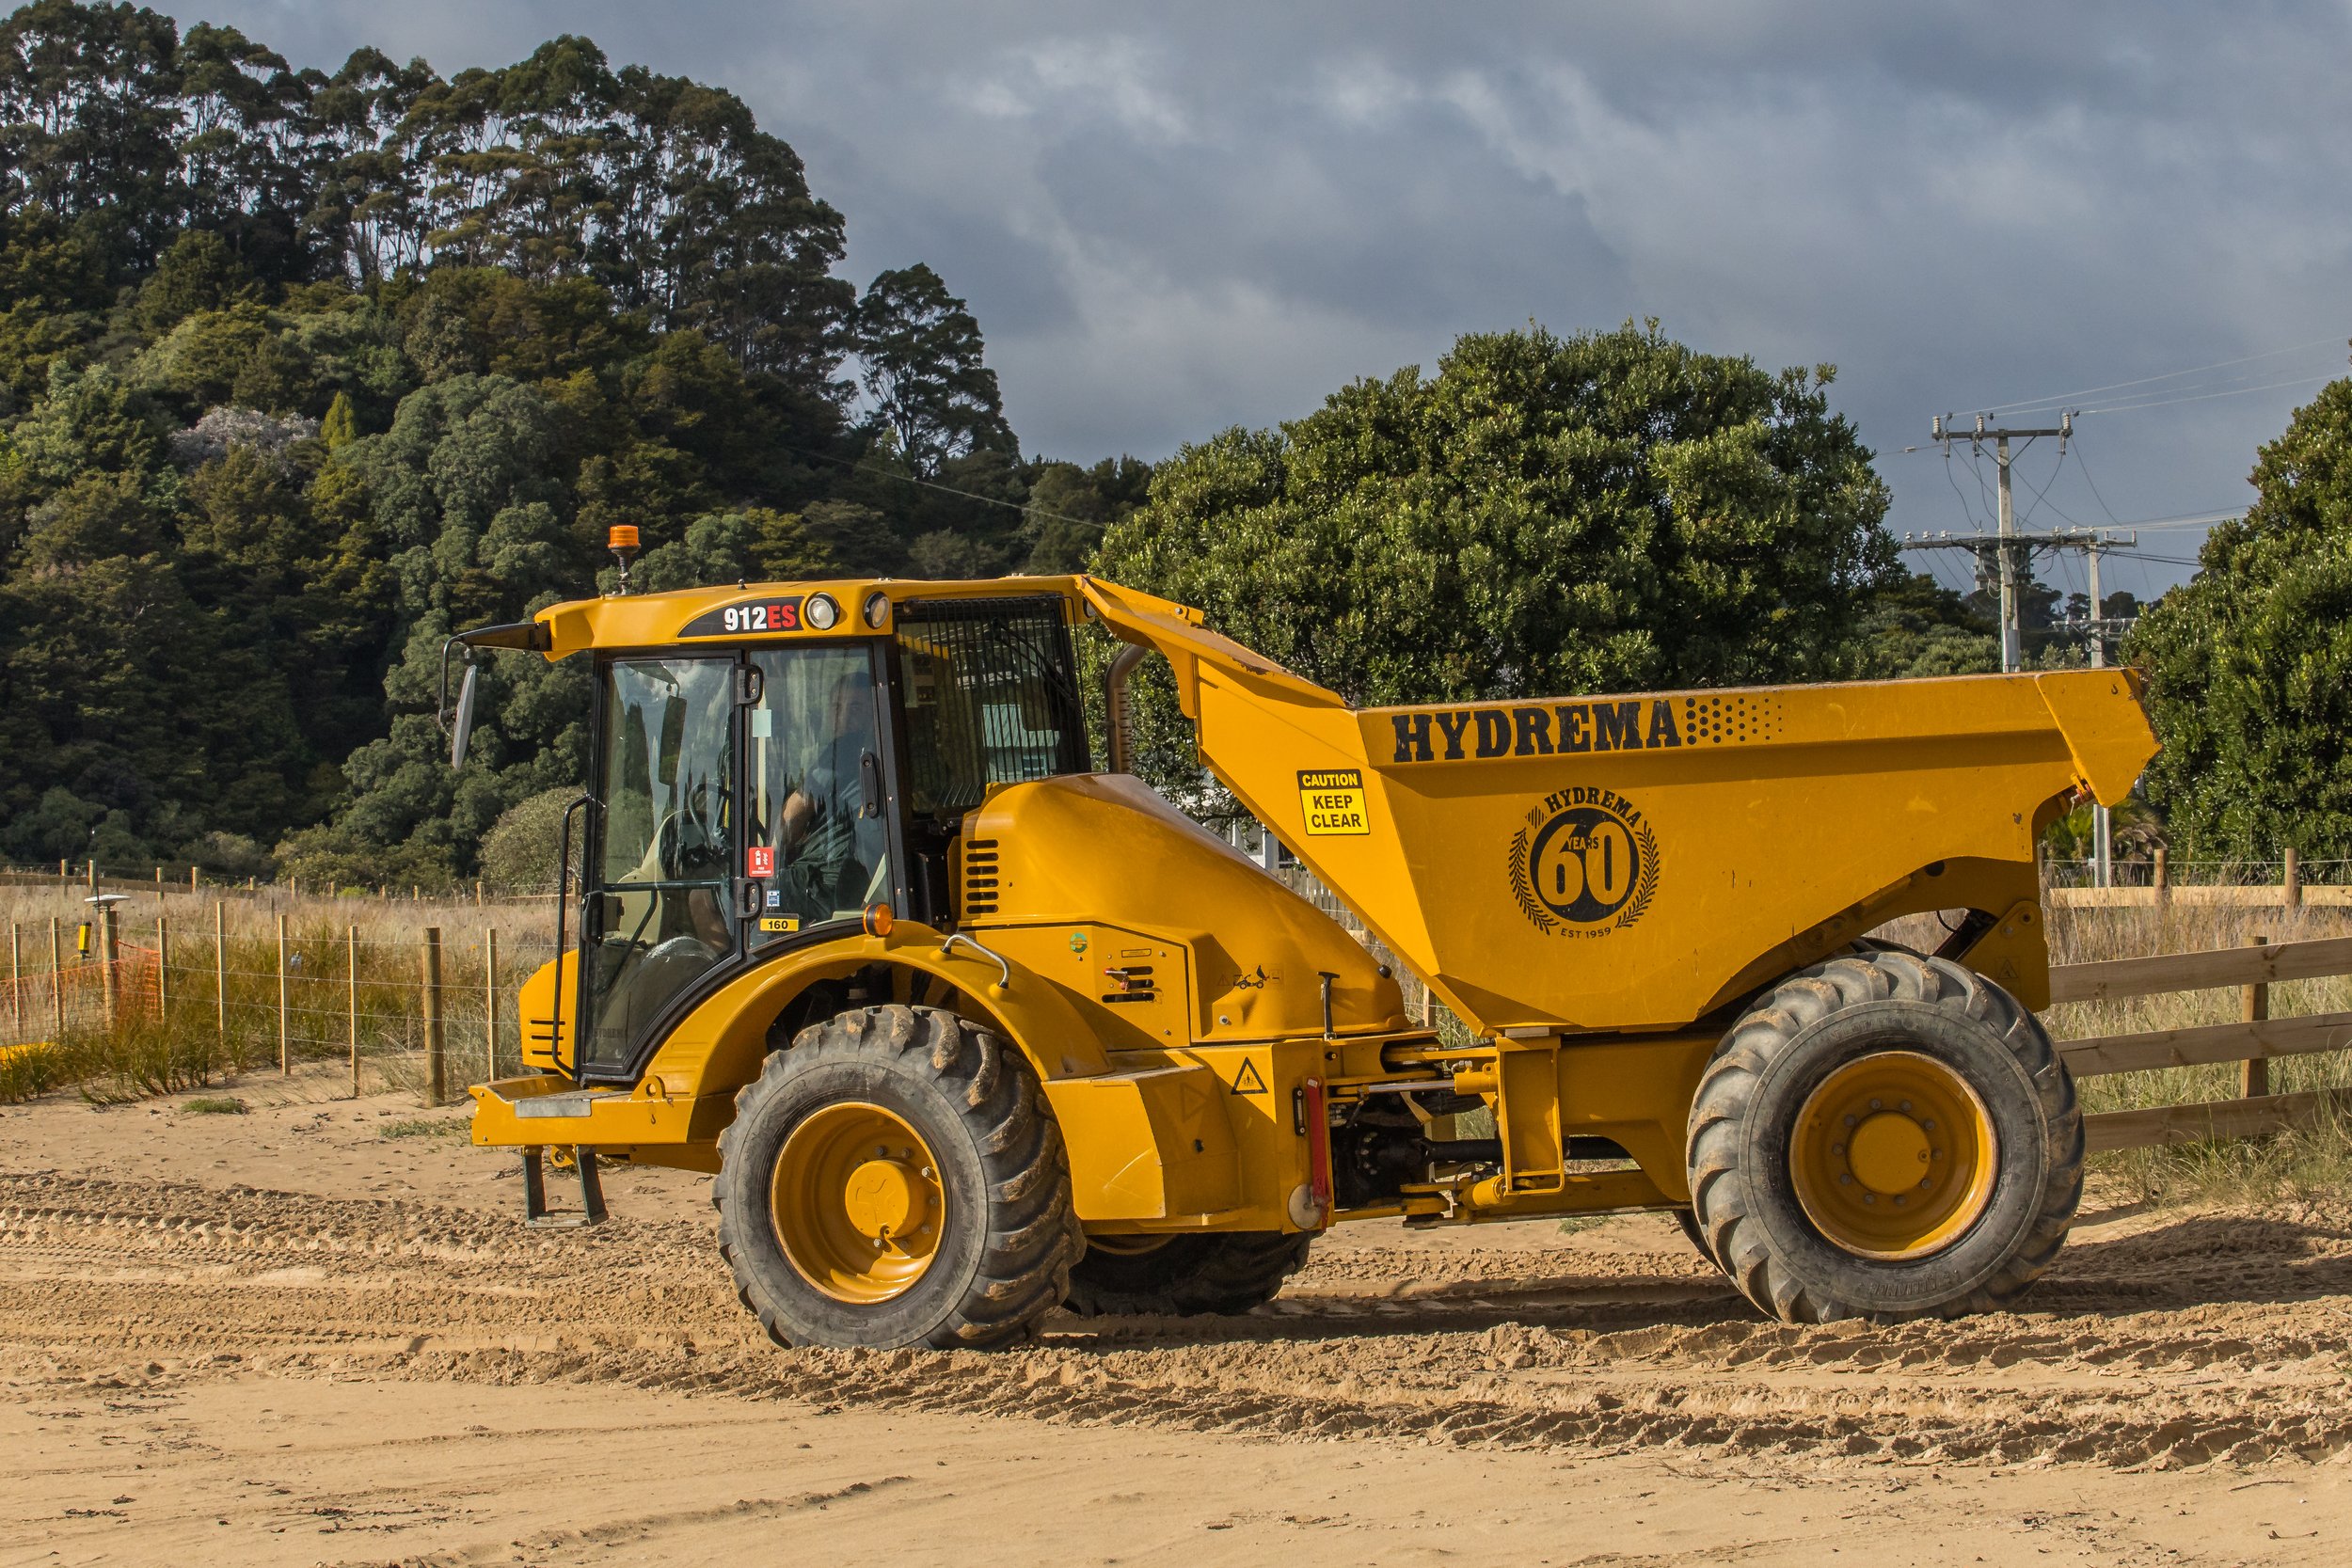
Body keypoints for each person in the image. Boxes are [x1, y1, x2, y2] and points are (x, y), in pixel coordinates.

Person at [771, 674, 880, 920]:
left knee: (726, 894)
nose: (843, 716)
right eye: (837, 707)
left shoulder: (843, 751)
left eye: (855, 708)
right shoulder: (873, 752)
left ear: (872, 716)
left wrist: (767, 858)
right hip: (848, 878)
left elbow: (791, 819)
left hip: (826, 881)